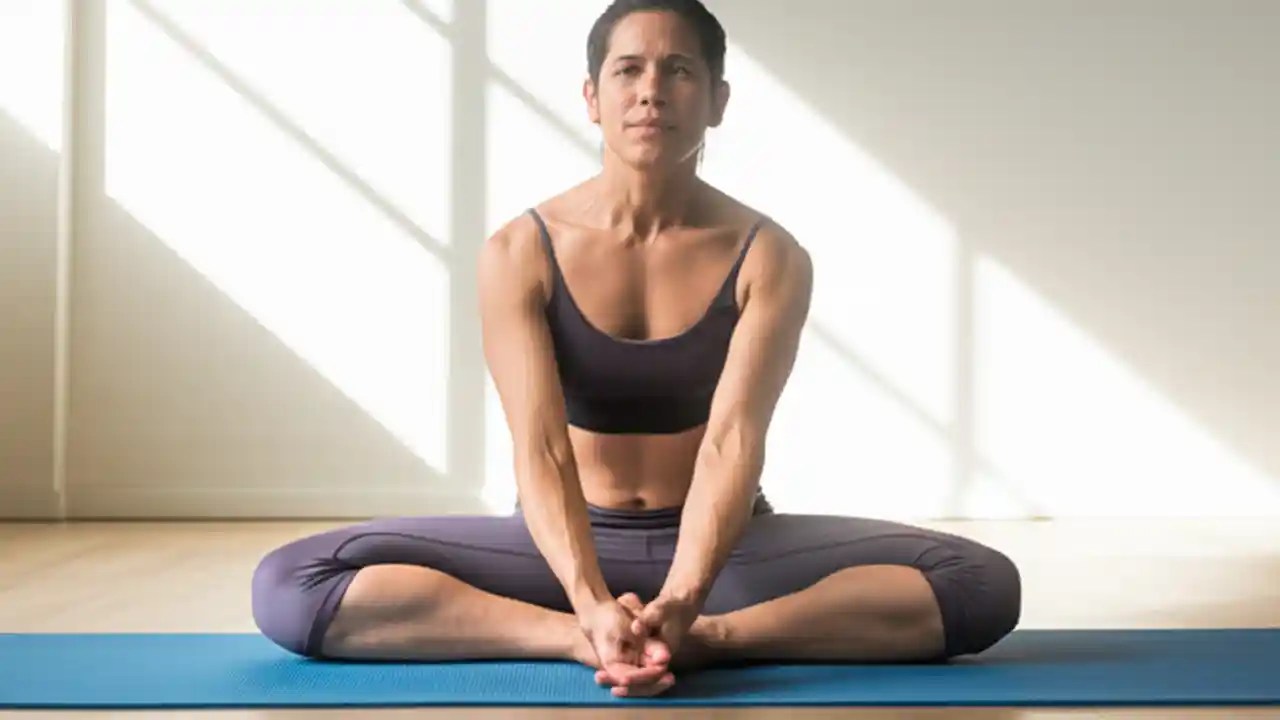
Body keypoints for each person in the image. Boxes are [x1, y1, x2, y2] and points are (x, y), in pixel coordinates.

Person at [250, 0, 1021, 699]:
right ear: (592, 97)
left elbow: (732, 442)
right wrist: (584, 603)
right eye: (629, 70)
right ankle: (575, 640)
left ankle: (710, 644)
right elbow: (542, 448)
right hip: (558, 549)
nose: (652, 90)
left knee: (983, 584)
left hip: (725, 551)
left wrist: (688, 603)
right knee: (288, 585)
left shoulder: (768, 255)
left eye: (680, 70)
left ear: (717, 101)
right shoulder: (520, 251)